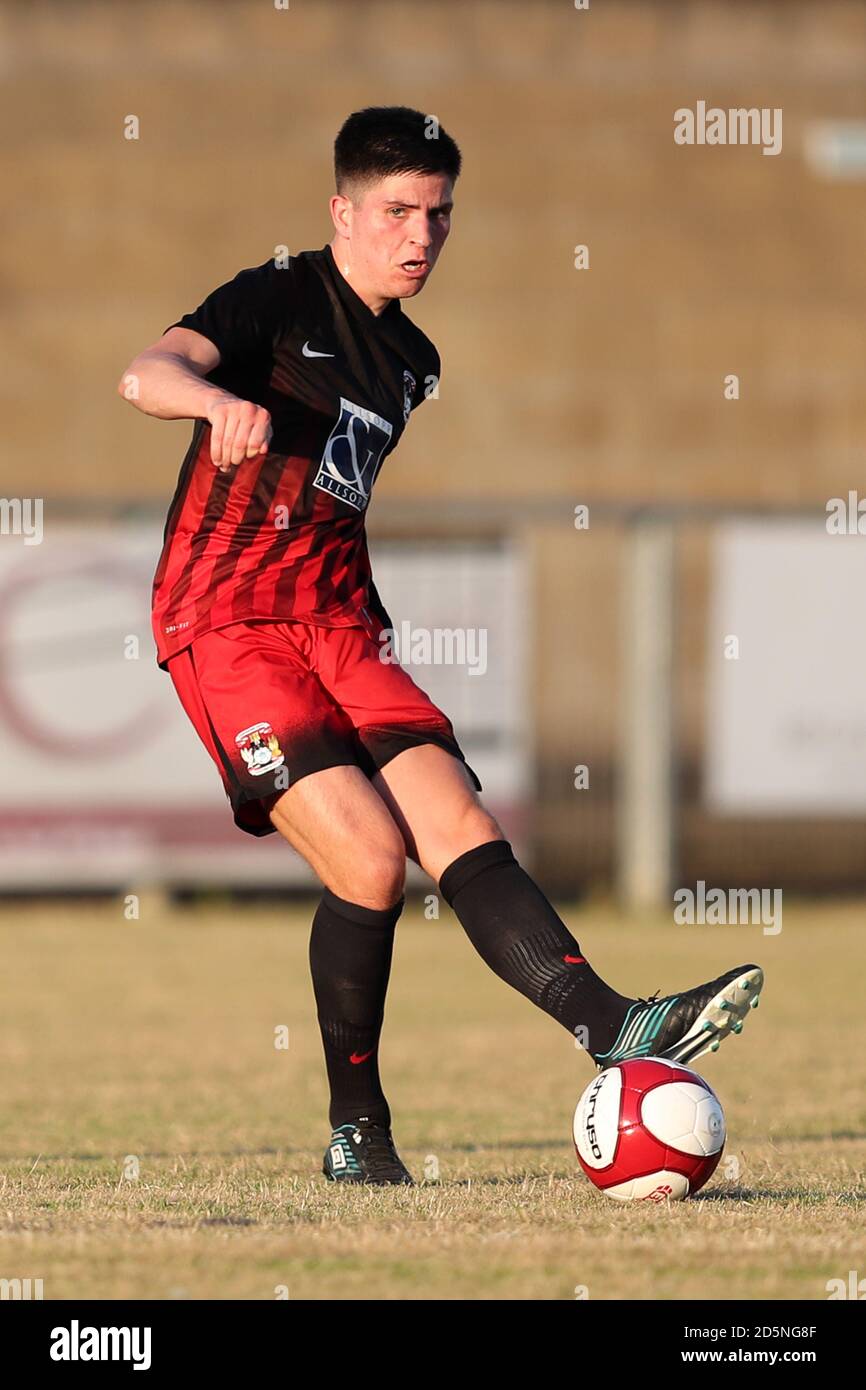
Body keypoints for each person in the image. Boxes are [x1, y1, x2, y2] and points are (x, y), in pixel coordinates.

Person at [118, 105, 763, 1186]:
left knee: (457, 818)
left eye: (438, 214)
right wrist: (211, 400)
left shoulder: (411, 359)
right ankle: (355, 1130)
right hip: (229, 619)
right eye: (396, 211)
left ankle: (612, 1024)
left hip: (339, 619)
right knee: (370, 856)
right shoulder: (278, 293)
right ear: (342, 212)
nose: (419, 234)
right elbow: (146, 372)